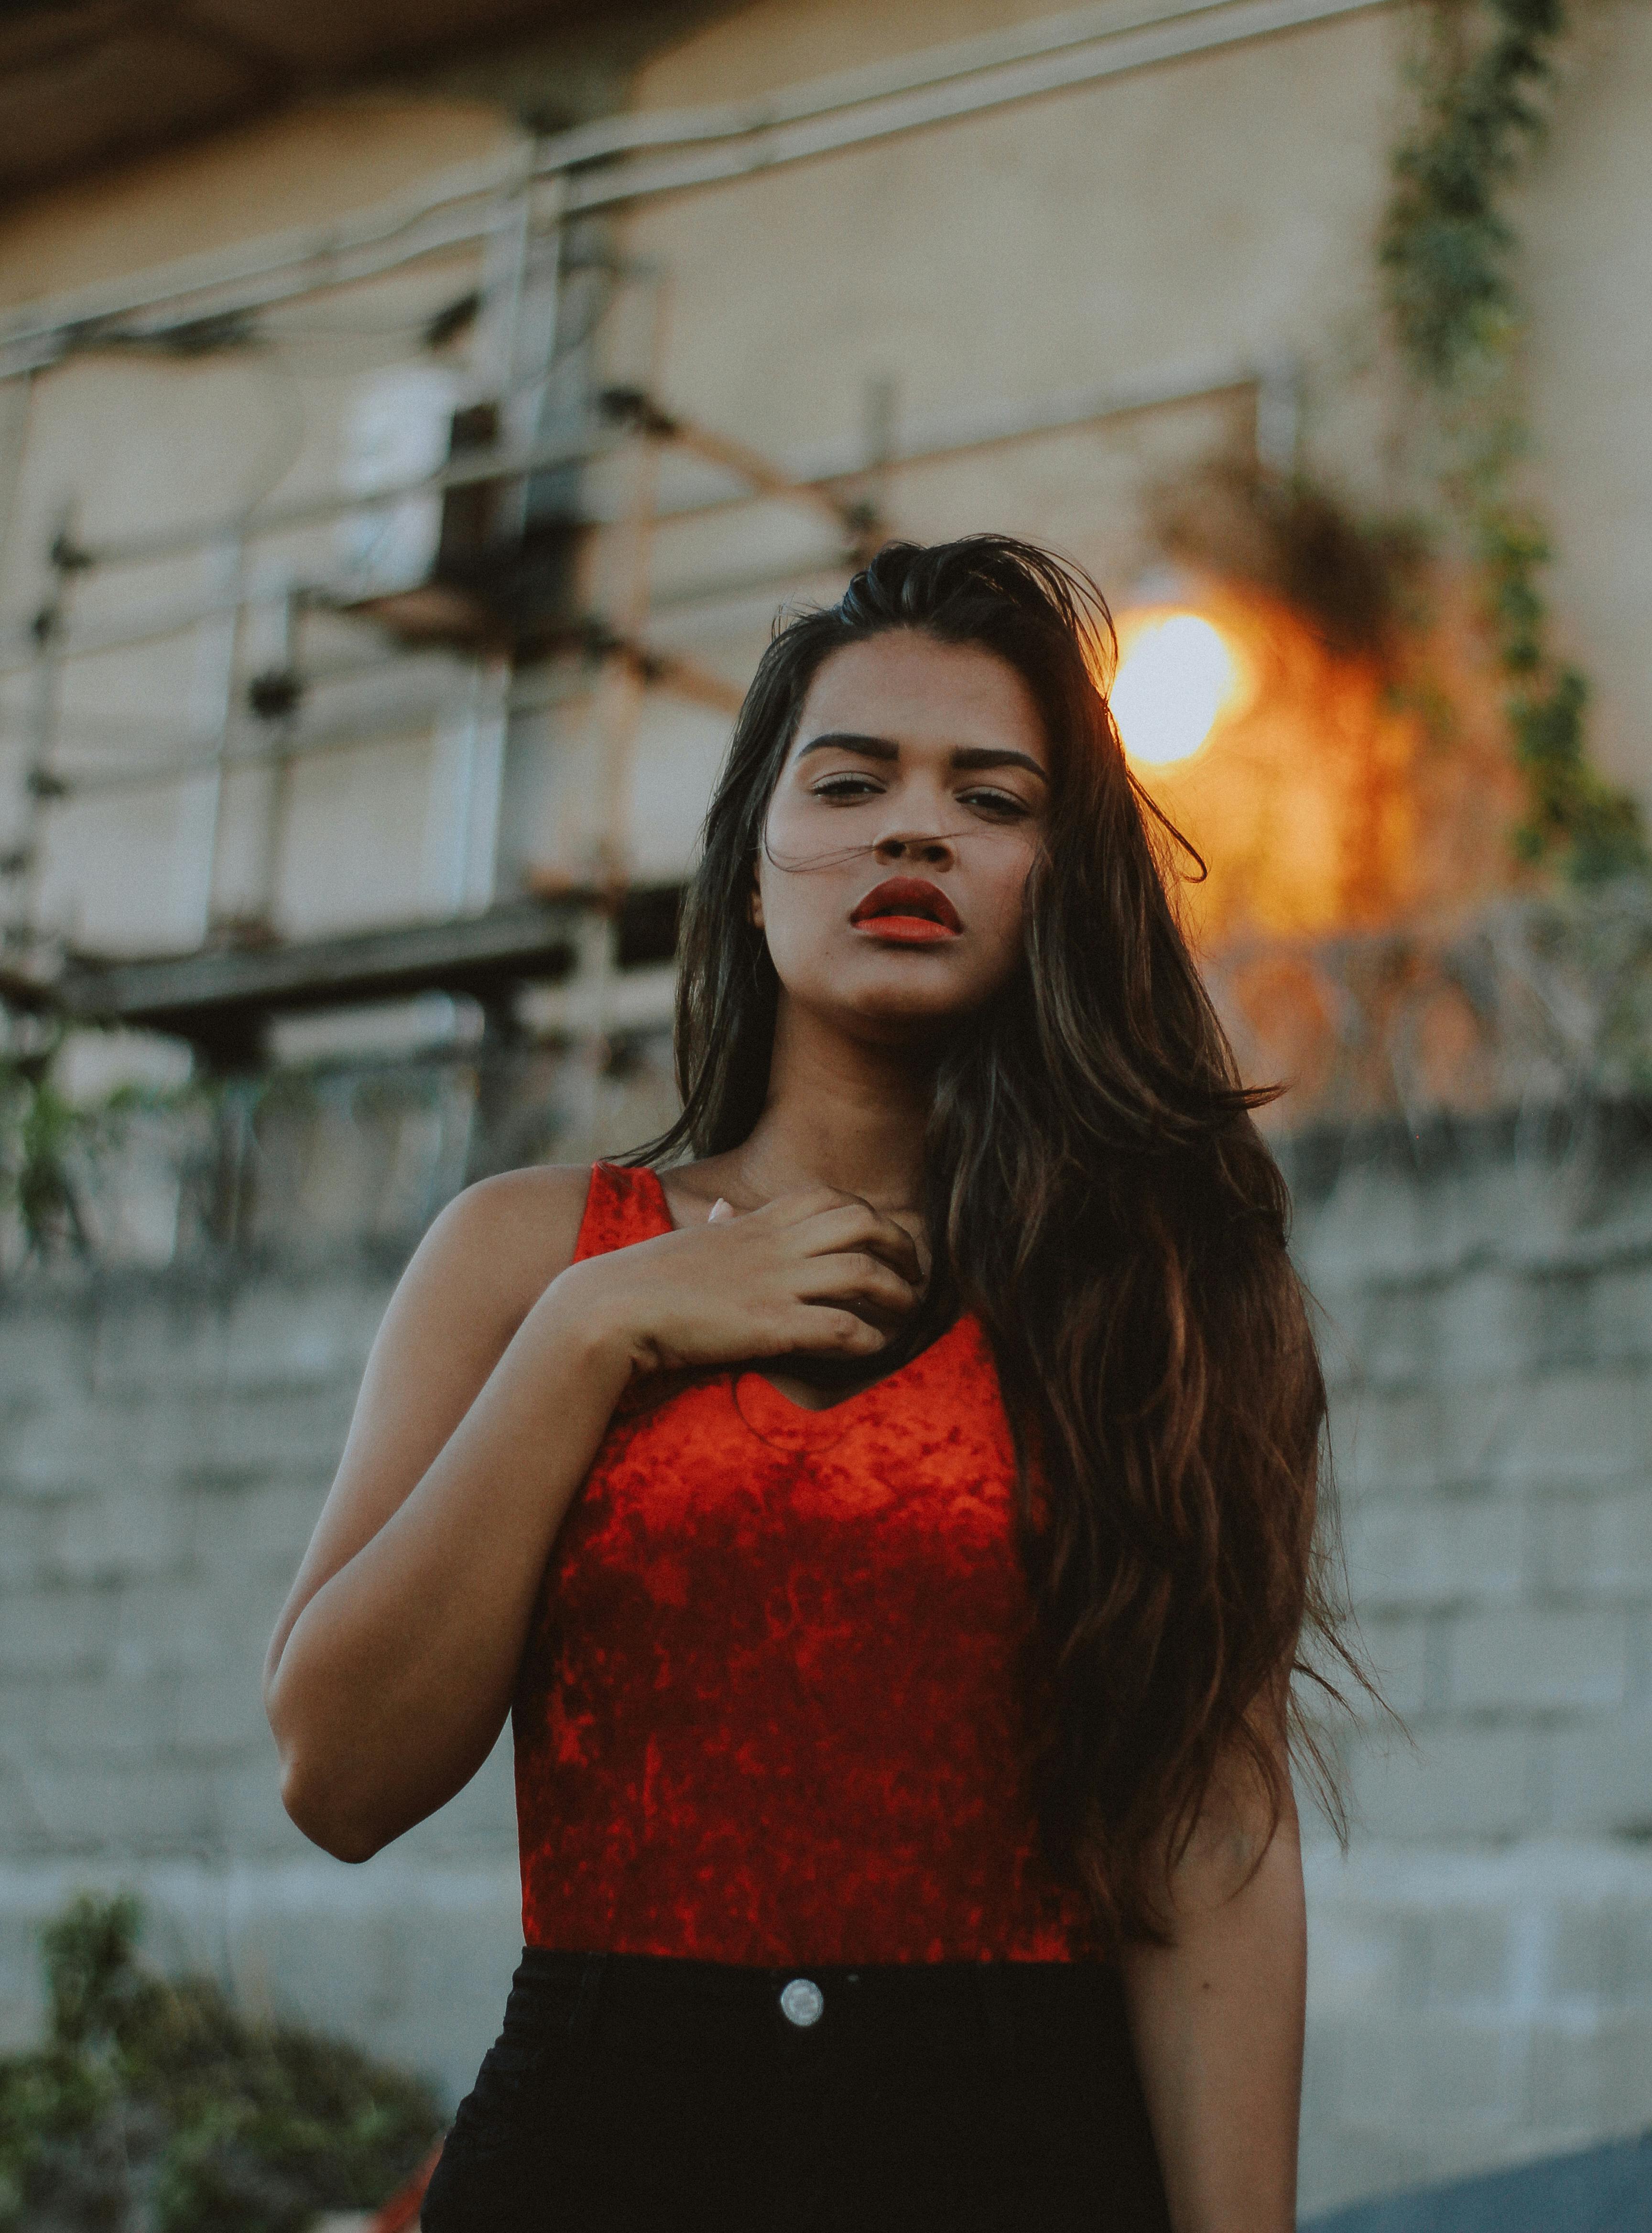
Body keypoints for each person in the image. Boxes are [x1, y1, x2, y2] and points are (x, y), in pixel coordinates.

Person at [264, 535, 1350, 2233]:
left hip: (1022, 2168)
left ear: (1056, 882)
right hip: (597, 2163)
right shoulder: (528, 1258)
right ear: (754, 865)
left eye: (992, 800)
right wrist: (596, 1331)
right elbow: (338, 1779)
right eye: (850, 782)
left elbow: (1208, 1842)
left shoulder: (1167, 1295)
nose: (916, 828)